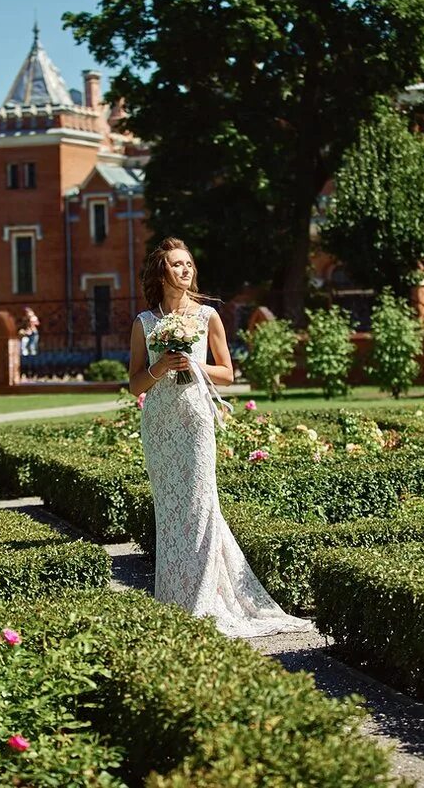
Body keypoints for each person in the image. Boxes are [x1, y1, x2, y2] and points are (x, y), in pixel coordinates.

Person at [128, 237, 312, 638]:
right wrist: (162, 366)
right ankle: (174, 600)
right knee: (171, 510)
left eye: (189, 264)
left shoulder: (207, 316)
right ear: (162, 273)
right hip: (159, 424)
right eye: (177, 265)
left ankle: (203, 602)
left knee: (199, 504)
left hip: (195, 421)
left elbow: (228, 373)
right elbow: (134, 383)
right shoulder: (144, 323)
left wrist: (194, 364)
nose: (186, 270)